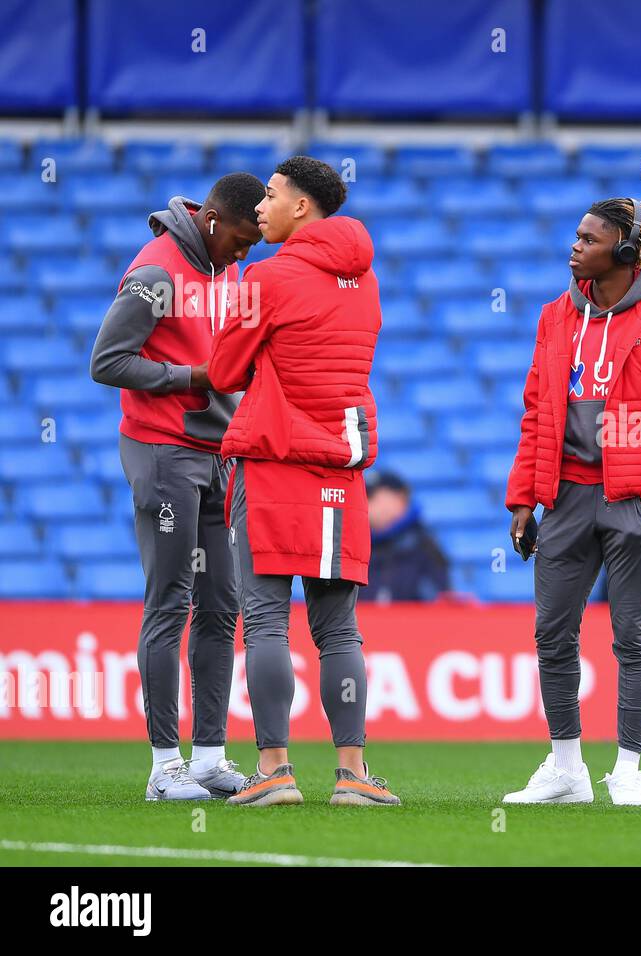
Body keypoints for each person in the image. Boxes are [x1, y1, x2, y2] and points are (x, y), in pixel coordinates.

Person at [503, 197, 641, 806]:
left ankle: (627, 768)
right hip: (564, 496)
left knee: (633, 637)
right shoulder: (554, 317)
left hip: (629, 499)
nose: (574, 246)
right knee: (551, 630)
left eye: (588, 238)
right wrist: (523, 498)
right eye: (576, 235)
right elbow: (537, 411)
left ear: (623, 251)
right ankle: (567, 767)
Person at [206, 156, 398, 808]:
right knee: (339, 629)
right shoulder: (366, 279)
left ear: (302, 208)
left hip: (271, 461)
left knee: (264, 623)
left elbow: (225, 369)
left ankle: (274, 771)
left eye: (270, 195)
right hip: (340, 469)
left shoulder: (267, 275)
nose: (259, 207)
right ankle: (353, 776)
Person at [90, 173, 264, 802]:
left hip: (220, 455)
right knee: (171, 602)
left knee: (223, 606)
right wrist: (192, 377)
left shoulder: (231, 273)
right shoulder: (157, 272)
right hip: (163, 452)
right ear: (214, 221)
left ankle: (209, 758)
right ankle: (164, 767)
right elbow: (106, 360)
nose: (246, 254)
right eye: (242, 241)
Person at [362, 471, 451, 602]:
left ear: (400, 498)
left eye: (373, 497)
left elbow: (439, 601)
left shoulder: (425, 547)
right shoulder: (355, 546)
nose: (367, 504)